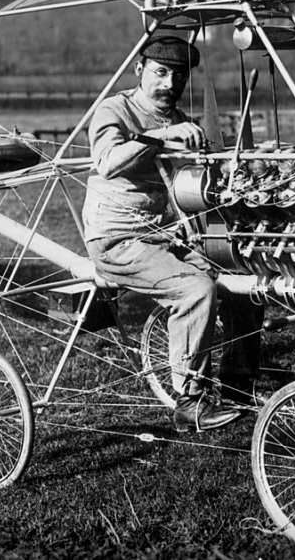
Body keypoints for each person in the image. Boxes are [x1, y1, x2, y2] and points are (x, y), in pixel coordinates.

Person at [82, 35, 258, 433]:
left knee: (244, 280)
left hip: (163, 236)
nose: (169, 83)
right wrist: (162, 136)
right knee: (195, 289)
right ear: (139, 70)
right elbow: (107, 162)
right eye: (160, 72)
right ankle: (189, 402)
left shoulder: (176, 116)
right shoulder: (116, 109)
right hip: (116, 239)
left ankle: (236, 386)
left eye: (178, 75)